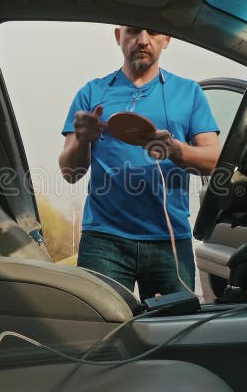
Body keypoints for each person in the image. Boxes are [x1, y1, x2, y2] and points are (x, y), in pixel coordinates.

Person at [58, 26, 221, 300]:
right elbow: (69, 172)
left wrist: (176, 150)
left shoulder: (189, 92)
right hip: (103, 240)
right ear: (118, 36)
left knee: (173, 324)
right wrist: (83, 140)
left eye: (154, 32)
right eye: (133, 31)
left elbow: (214, 161)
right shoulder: (91, 93)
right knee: (100, 323)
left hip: (170, 240)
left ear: (167, 39)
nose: (143, 40)